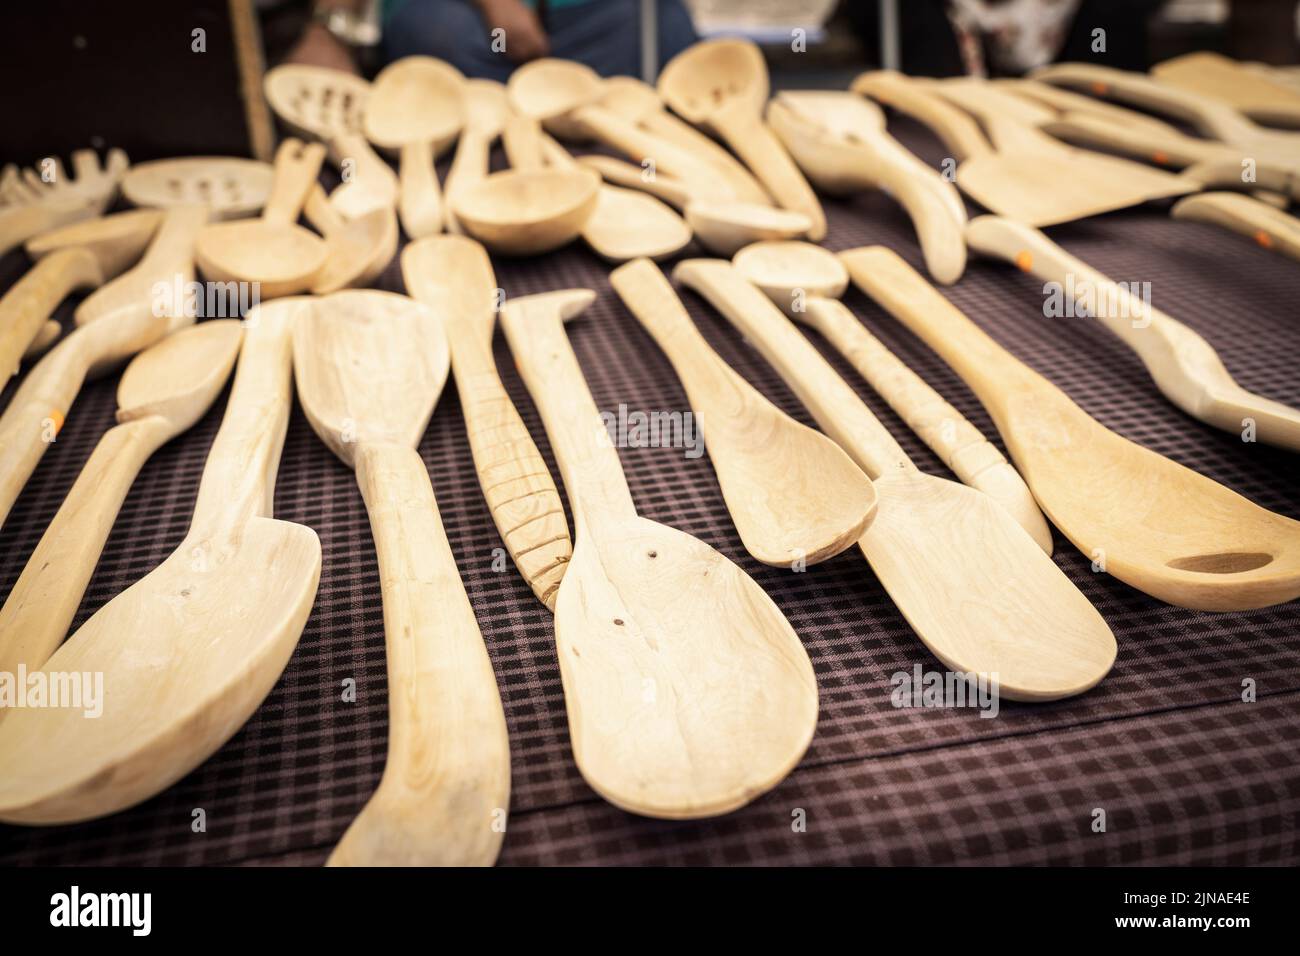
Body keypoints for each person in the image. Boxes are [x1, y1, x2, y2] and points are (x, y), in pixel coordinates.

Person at [284, 0, 700, 79]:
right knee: (436, 37)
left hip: (594, 22)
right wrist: (329, 28)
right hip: (461, 27)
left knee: (668, 37)